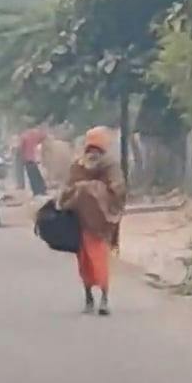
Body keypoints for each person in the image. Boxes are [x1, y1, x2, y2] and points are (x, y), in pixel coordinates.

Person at [61, 128, 126, 315]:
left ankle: (101, 300)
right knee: (87, 264)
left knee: (96, 262)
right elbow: (67, 191)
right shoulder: (78, 166)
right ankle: (91, 298)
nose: (93, 152)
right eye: (91, 148)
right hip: (83, 225)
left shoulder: (110, 166)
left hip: (100, 226)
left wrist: (97, 192)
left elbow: (118, 189)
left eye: (96, 148)